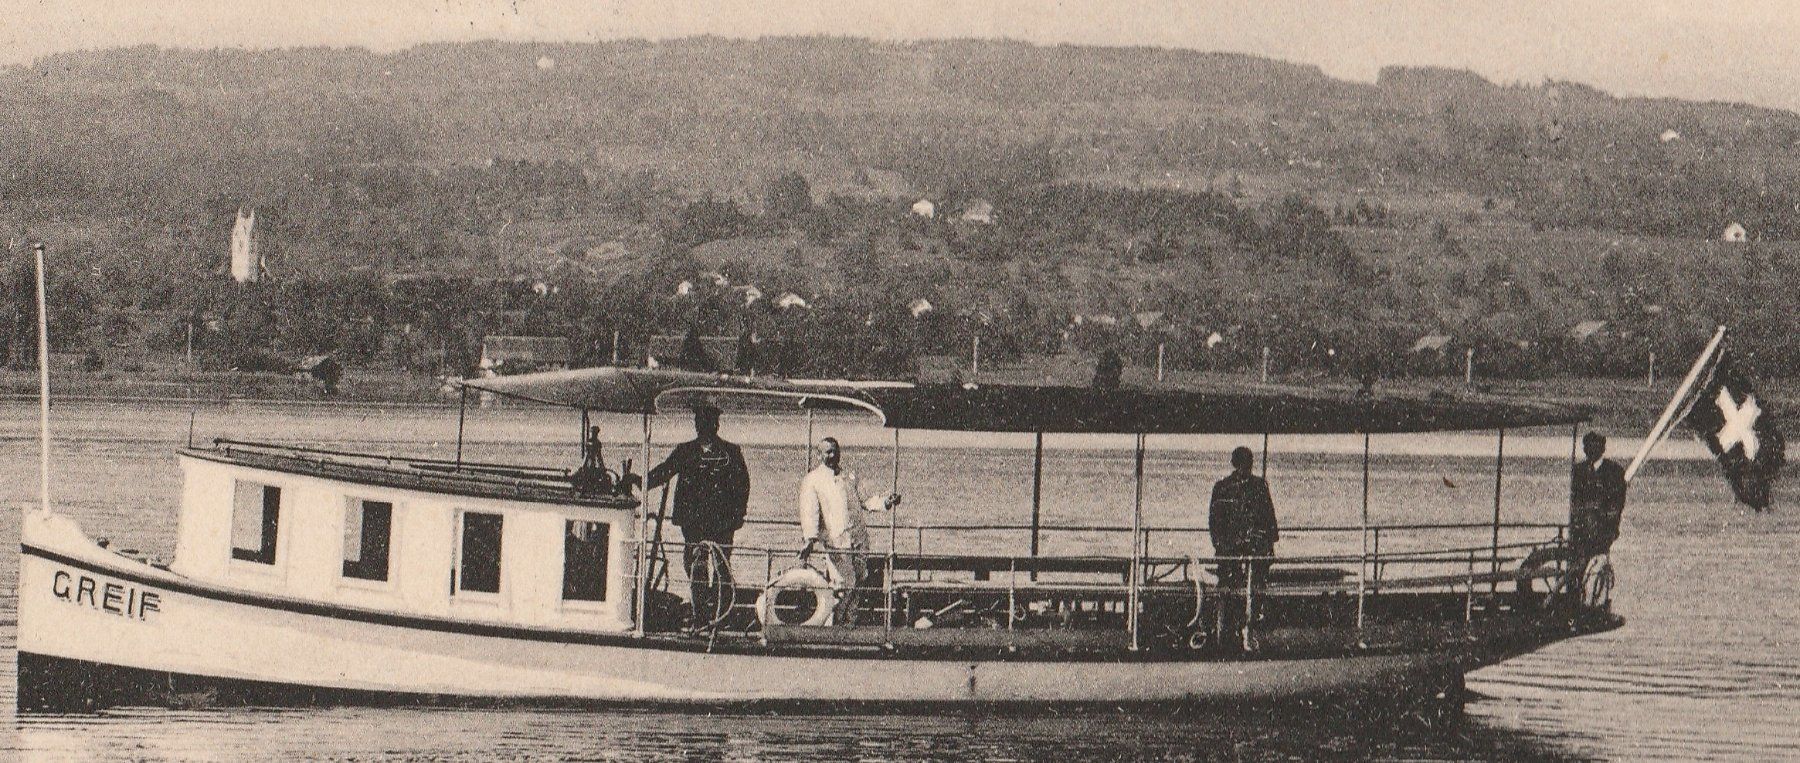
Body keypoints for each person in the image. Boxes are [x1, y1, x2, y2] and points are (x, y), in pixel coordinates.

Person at [646, 406, 750, 626]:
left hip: (722, 522)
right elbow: (666, 470)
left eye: (708, 423)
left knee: (722, 568)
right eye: (700, 423)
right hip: (693, 522)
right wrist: (642, 481)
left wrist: (738, 515)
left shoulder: (731, 452)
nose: (703, 427)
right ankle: (700, 615)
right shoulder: (686, 451)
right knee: (694, 565)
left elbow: (743, 485)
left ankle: (721, 615)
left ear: (716, 425)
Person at [797, 437, 901, 626]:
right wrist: (809, 539)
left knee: (860, 581)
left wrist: (885, 502)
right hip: (836, 542)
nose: (833, 455)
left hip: (858, 538)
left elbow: (866, 500)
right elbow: (810, 512)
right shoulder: (813, 480)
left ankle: (849, 624)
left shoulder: (850, 477)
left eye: (836, 451)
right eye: (828, 452)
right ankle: (833, 624)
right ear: (819, 455)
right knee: (845, 584)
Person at [1208, 446, 1279, 649]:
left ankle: (1235, 631)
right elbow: (1270, 524)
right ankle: (1239, 630)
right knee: (1242, 592)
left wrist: (1223, 545)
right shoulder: (1253, 486)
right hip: (1237, 552)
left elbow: (1214, 524)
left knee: (1236, 591)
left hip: (1242, 551)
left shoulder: (1226, 486)